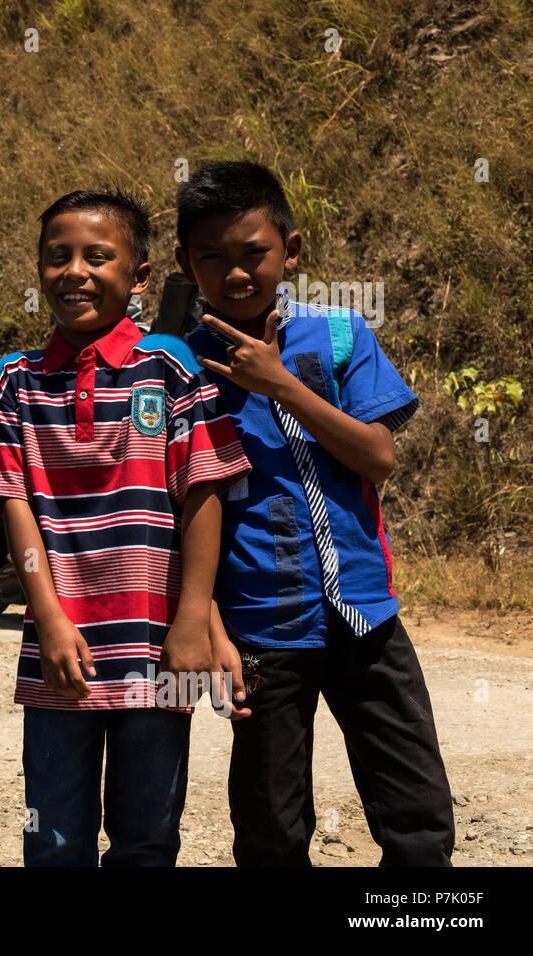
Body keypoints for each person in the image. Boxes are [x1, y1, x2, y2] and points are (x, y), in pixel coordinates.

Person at [0, 189, 251, 867]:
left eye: (97, 256)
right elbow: (14, 502)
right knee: (53, 836)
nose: (75, 271)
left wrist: (191, 620)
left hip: (163, 645)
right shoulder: (17, 383)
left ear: (139, 276)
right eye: (57, 257)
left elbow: (203, 493)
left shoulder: (170, 369)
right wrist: (50, 618)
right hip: (59, 650)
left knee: (148, 836)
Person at [177, 160, 454, 866]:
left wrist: (280, 386)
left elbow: (377, 458)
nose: (236, 274)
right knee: (271, 826)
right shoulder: (178, 364)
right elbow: (176, 508)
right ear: (186, 264)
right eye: (213, 258)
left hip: (365, 611)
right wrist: (211, 630)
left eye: (254, 254)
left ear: (291, 251)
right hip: (261, 627)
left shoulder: (338, 334)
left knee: (417, 813)